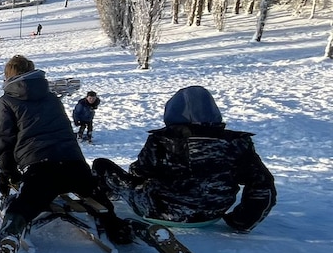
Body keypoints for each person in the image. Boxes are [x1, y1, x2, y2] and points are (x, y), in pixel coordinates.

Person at [0, 56, 131, 253]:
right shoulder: (52, 97)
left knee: (26, 204)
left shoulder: (8, 100)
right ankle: (119, 226)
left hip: (39, 165)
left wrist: (7, 171)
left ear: (9, 76)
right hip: (73, 162)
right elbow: (65, 129)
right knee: (95, 197)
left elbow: (5, 138)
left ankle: (10, 235)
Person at [93, 85, 276, 231]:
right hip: (211, 215)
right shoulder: (237, 143)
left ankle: (105, 198)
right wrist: (242, 221)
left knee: (101, 165)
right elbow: (262, 184)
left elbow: (140, 172)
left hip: (158, 211)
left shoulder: (162, 139)